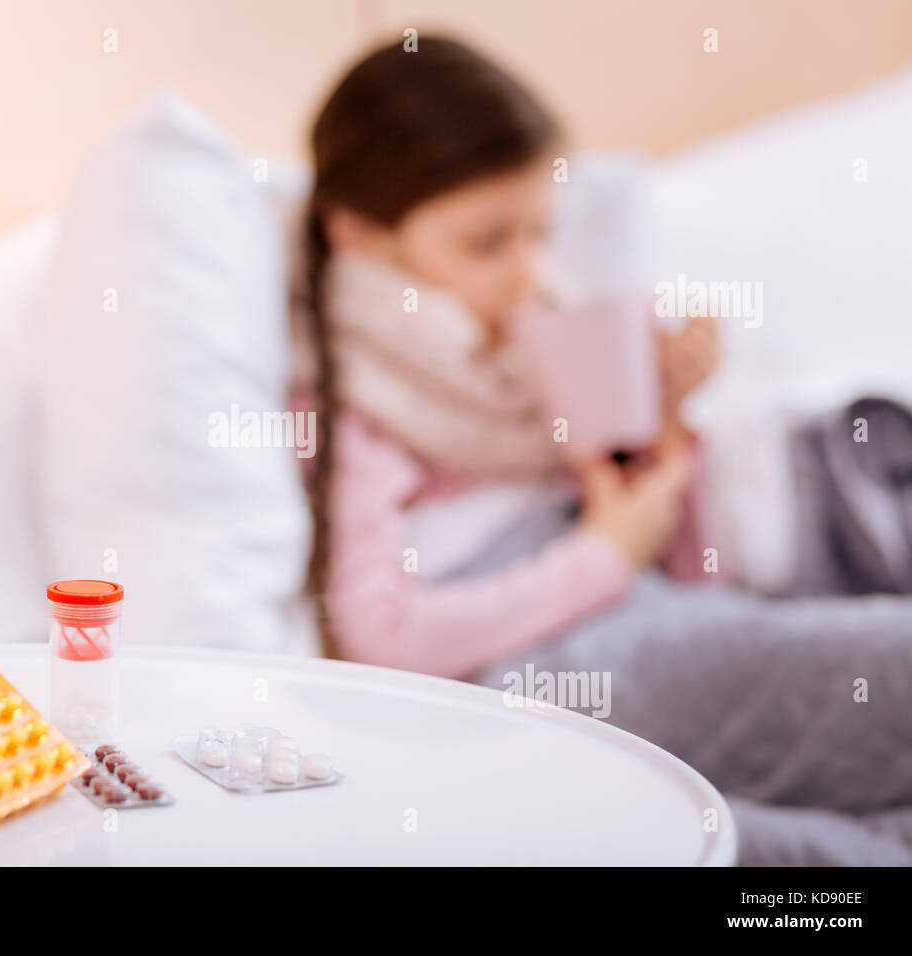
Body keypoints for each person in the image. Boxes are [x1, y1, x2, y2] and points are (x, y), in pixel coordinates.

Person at [294, 34, 912, 864]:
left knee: (799, 833)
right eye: (487, 242)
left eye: (539, 235)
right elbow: (384, 638)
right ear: (362, 236)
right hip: (535, 667)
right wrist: (602, 554)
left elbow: (694, 575)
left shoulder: (537, 369)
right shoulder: (354, 403)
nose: (528, 274)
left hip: (642, 626)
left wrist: (659, 432)